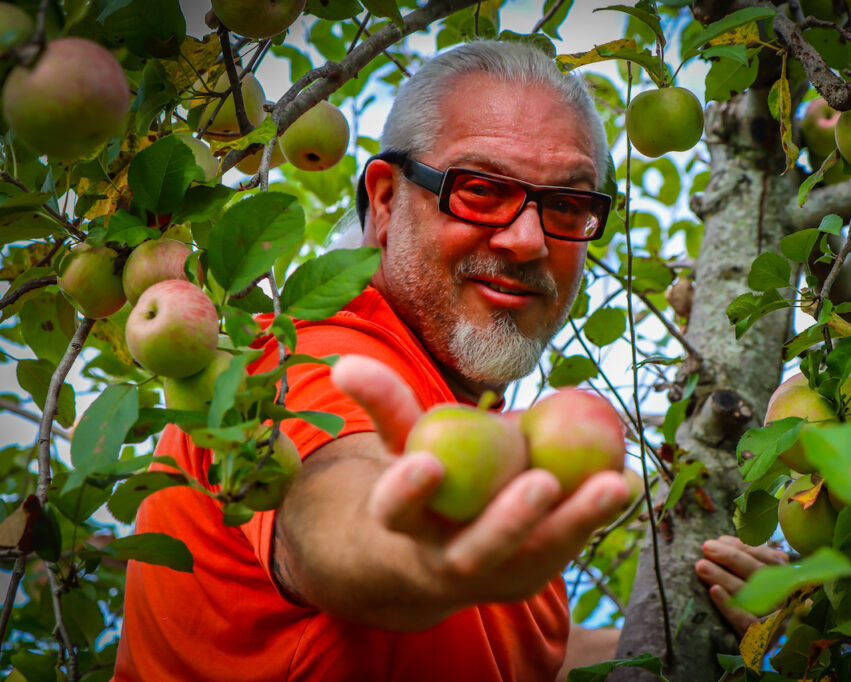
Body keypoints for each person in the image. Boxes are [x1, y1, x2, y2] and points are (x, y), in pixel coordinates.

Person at [114, 40, 785, 681]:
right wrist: (401, 552)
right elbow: (331, 506)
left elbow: (516, 659)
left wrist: (701, 627)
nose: (526, 240)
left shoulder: (483, 473)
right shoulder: (296, 360)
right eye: (480, 189)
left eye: (568, 204)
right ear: (383, 201)